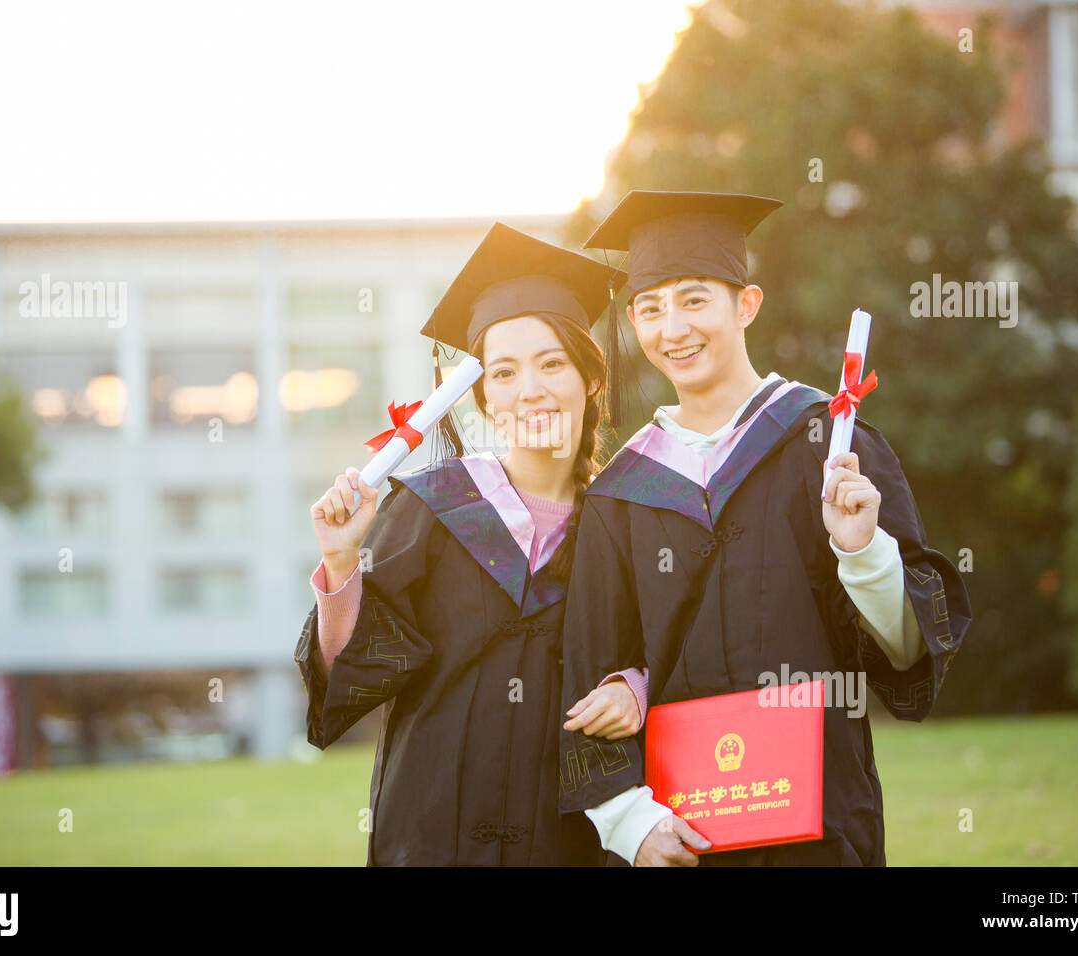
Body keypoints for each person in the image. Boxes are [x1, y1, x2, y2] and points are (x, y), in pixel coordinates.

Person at [558, 191, 973, 866]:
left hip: (817, 828)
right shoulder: (621, 491)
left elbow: (904, 654)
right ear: (633, 320)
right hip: (679, 834)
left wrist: (862, 550)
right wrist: (632, 826)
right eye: (653, 308)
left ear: (745, 305)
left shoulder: (826, 444)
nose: (673, 328)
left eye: (695, 299)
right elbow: (588, 676)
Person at [296, 223, 645, 865]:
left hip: (569, 836)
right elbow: (351, 679)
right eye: (504, 372)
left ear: (590, 378)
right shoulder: (436, 507)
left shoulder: (626, 521)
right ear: (483, 395)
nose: (529, 389)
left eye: (551, 363)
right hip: (433, 833)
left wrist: (637, 687)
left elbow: (675, 647)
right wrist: (342, 559)